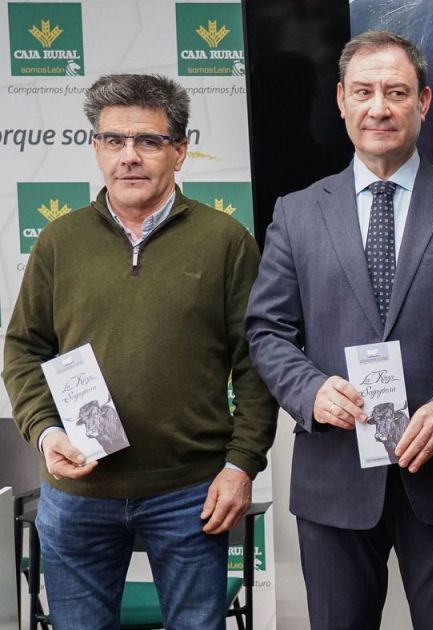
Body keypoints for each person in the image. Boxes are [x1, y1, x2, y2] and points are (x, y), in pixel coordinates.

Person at [244, 30, 433, 630]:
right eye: (365, 92)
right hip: (334, 474)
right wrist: (309, 391)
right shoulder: (297, 211)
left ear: (423, 102)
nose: (380, 107)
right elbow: (268, 331)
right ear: (341, 101)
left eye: (396, 92)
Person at [2, 73, 277, 628]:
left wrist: (241, 463)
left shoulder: (225, 241)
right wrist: (47, 432)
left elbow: (258, 365)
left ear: (179, 151)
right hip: (77, 493)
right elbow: (23, 350)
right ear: (97, 148)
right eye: (113, 140)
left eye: (148, 141)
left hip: (191, 494)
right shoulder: (60, 240)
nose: (129, 156)